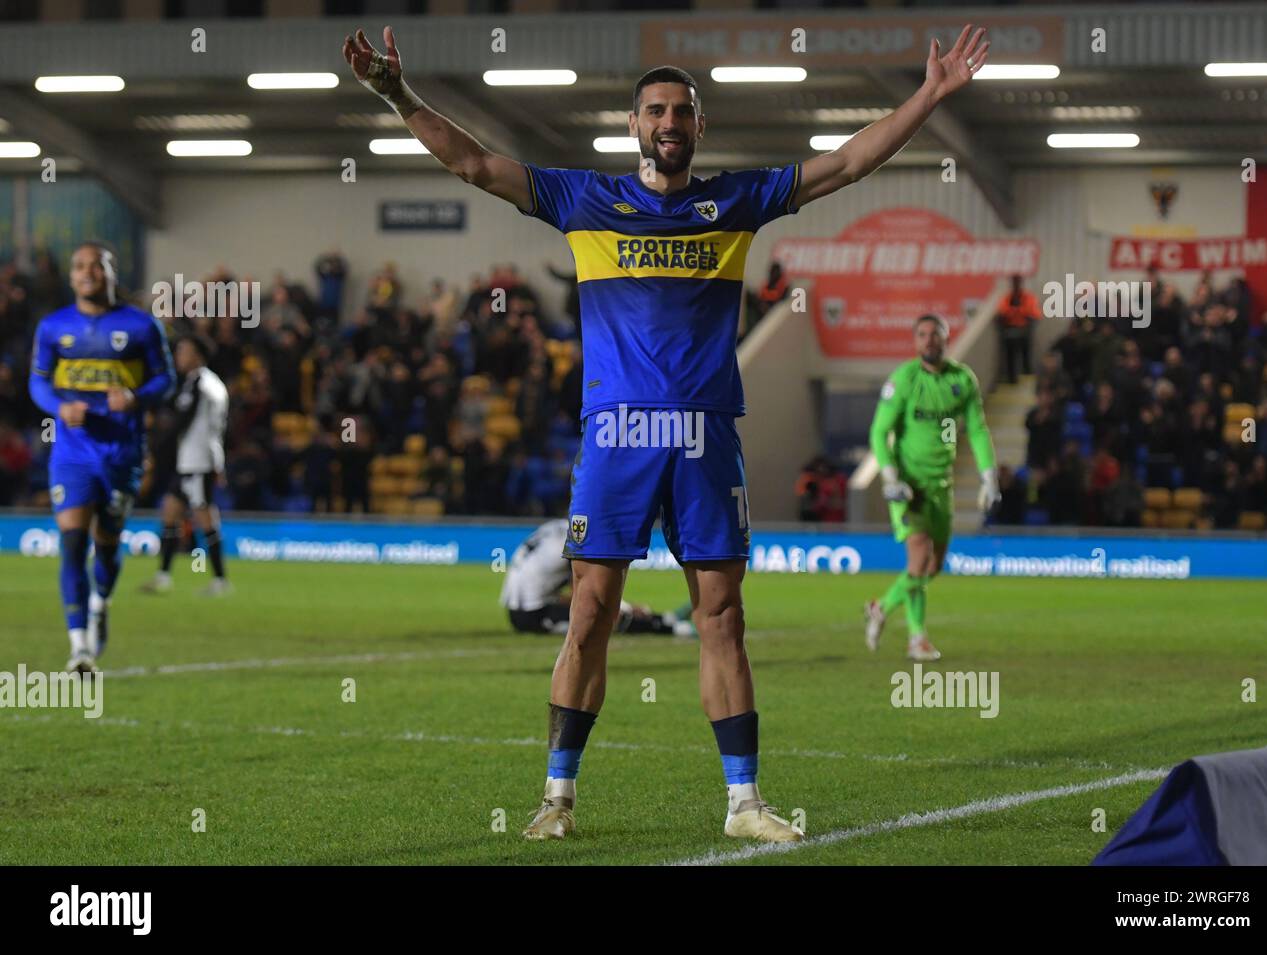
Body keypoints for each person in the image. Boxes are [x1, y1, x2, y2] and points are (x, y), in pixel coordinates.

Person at [343, 20, 990, 843]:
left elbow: (847, 161)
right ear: (634, 124)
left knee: (722, 615)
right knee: (589, 610)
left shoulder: (738, 199)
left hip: (706, 437)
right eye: (655, 111)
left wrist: (929, 96)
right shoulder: (583, 199)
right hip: (616, 435)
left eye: (682, 112)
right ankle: (557, 796)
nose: (669, 123)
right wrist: (396, 94)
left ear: (699, 127)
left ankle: (745, 803)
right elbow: (473, 163)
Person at [27, 241, 176, 672]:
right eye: (79, 266)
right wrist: (59, 407)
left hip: (122, 451)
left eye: (97, 266)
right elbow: (37, 383)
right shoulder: (53, 327)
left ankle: (101, 601)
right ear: (71, 276)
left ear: (112, 273)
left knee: (106, 545)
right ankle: (80, 648)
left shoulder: (142, 327)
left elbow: (165, 380)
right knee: (72, 542)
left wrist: (135, 397)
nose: (88, 272)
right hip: (73, 452)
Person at [864, 314, 998, 661]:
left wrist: (989, 475)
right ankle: (917, 639)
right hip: (909, 486)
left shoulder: (961, 380)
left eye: (935, 334)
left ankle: (881, 606)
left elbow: (978, 429)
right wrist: (891, 476)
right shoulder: (904, 380)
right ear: (915, 341)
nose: (929, 340)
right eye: (922, 334)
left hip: (943, 485)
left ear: (946, 338)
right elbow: (879, 432)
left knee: (933, 567)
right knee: (919, 556)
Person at [140, 335, 232, 597]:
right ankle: (163, 576)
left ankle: (220, 580)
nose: (178, 357)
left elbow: (181, 423)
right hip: (193, 461)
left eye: (183, 352)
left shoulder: (200, 385)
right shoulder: (210, 383)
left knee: (205, 518)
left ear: (197, 356)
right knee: (170, 512)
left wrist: (154, 450)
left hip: (198, 462)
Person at [501, 520, 694, 636]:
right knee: (598, 617)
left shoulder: (555, 527)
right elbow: (587, 592)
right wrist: (623, 608)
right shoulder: (575, 539)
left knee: (597, 609)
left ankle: (663, 619)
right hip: (532, 615)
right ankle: (669, 627)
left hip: (520, 605)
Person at [995, 274, 1041, 384]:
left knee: (1024, 343)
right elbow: (1002, 312)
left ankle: (1027, 370)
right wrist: (1016, 312)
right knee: (1010, 346)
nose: (1016, 285)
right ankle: (1012, 378)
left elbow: (1034, 314)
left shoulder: (1028, 298)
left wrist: (1016, 311)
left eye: (1018, 282)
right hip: (1009, 330)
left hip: (1025, 330)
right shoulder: (1007, 298)